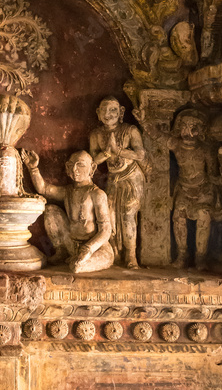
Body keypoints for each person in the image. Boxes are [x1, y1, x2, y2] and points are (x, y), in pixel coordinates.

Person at [22, 149, 114, 273]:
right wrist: (33, 168)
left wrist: (88, 249)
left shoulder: (97, 194)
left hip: (96, 248)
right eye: (71, 165)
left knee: (77, 267)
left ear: (92, 168)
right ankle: (62, 252)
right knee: (50, 210)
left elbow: (106, 230)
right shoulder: (68, 191)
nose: (75, 169)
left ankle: (76, 259)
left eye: (80, 165)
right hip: (72, 245)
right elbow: (43, 189)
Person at [89, 97, 146, 269]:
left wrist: (118, 151)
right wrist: (106, 153)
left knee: (128, 215)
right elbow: (93, 161)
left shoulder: (130, 130)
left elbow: (140, 155)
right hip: (113, 179)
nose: (108, 114)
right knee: (110, 216)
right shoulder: (96, 134)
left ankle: (131, 255)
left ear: (121, 112)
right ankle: (115, 252)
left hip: (131, 178)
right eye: (104, 110)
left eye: (113, 110)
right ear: (98, 113)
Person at [168, 108, 221, 270]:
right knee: (178, 216)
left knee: (203, 216)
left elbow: (212, 173)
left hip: (203, 190)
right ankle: (182, 254)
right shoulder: (176, 145)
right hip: (183, 188)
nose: (188, 131)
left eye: (193, 127)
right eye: (184, 126)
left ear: (200, 130)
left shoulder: (205, 149)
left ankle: (200, 257)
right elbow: (159, 139)